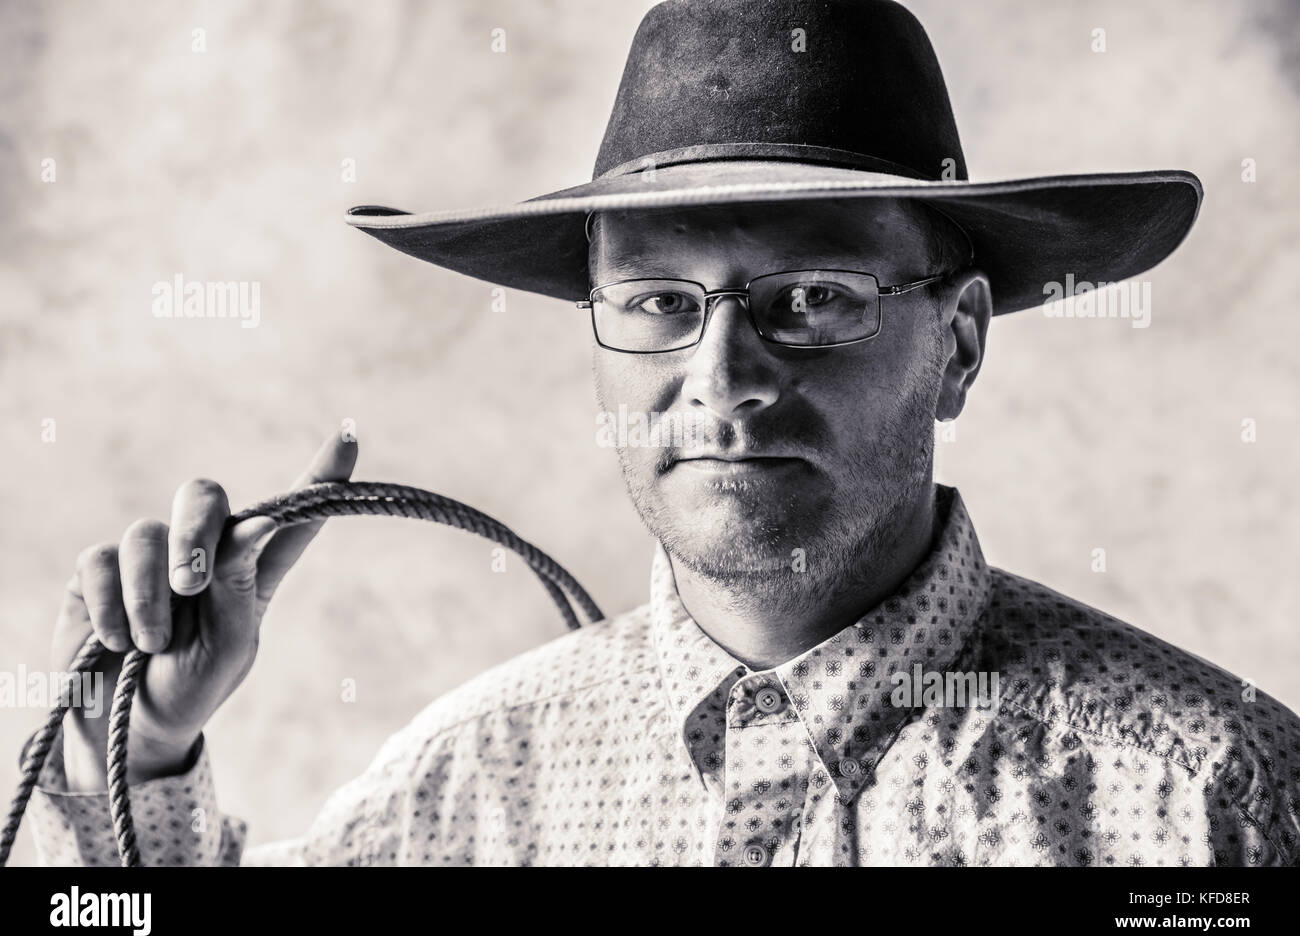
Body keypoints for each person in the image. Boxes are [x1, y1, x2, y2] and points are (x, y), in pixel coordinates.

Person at [25, 0, 1300, 866]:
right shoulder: (475, 788)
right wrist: (144, 746)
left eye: (813, 299)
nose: (724, 376)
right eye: (656, 303)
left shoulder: (1205, 800)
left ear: (957, 342)